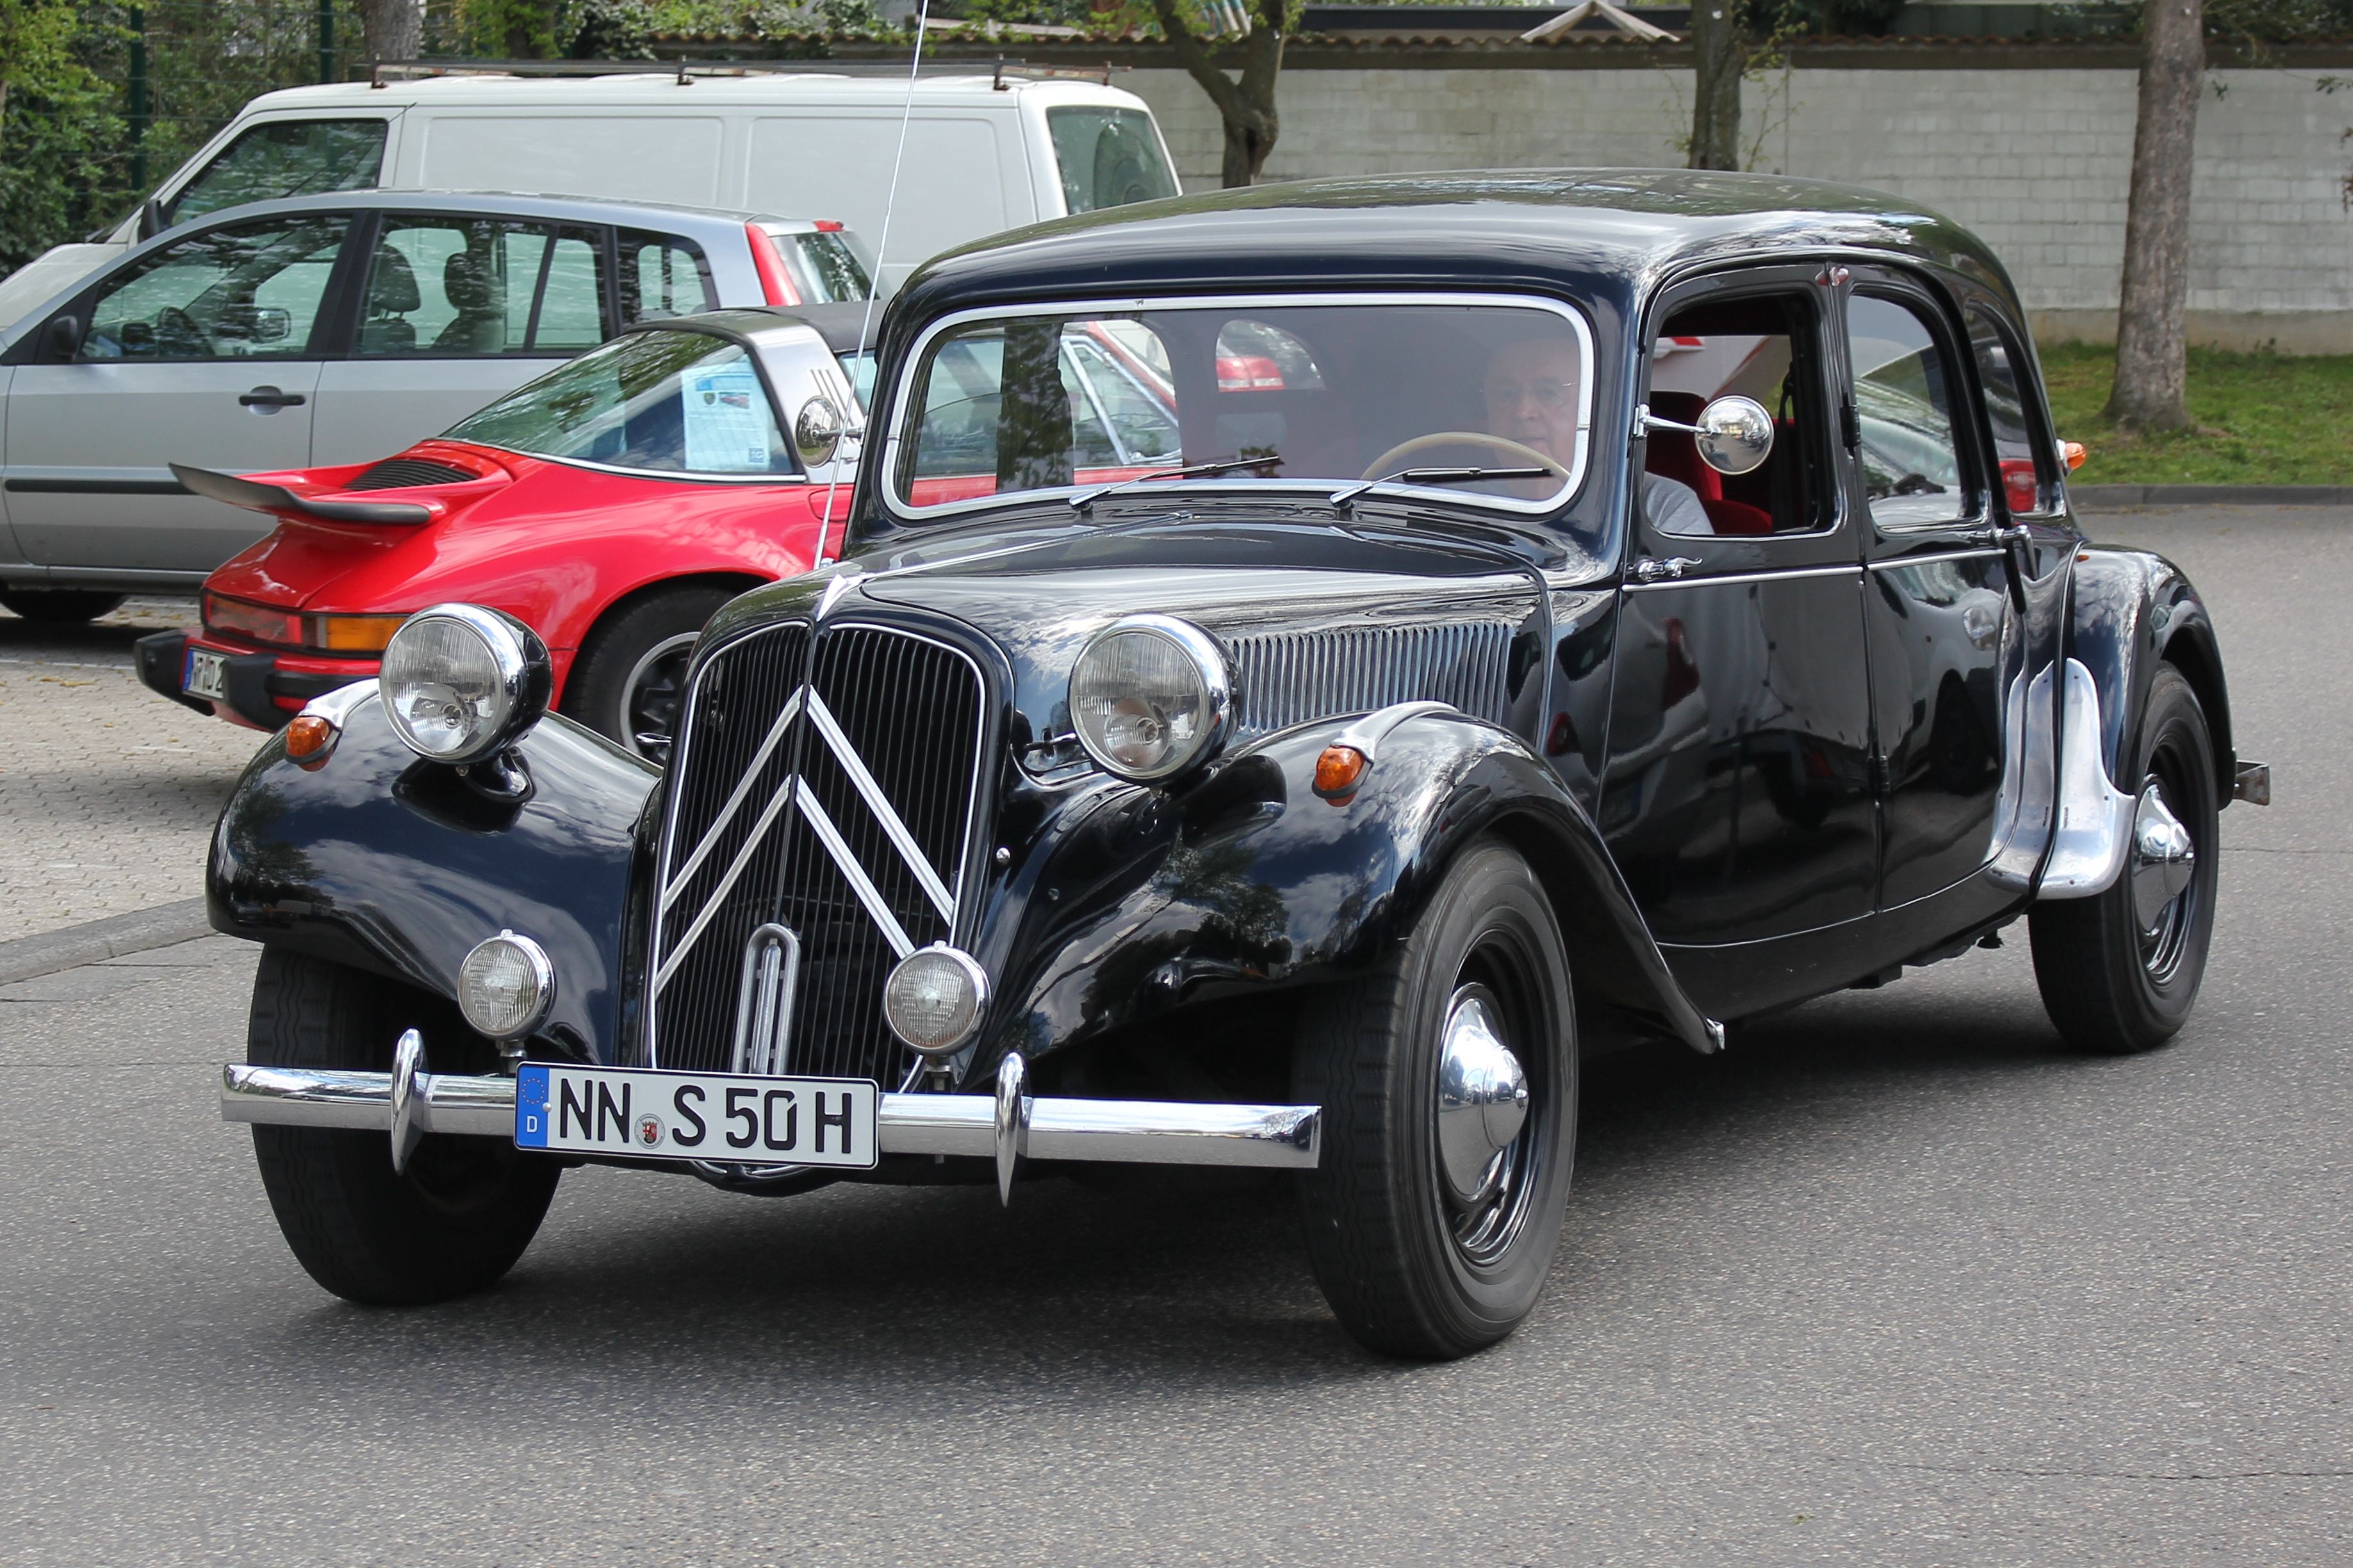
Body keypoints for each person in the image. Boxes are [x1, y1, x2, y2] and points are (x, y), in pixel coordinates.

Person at [1482, 334, 1712, 537]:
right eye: (1506, 395)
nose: (1522, 412)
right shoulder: (1458, 501)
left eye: (1547, 393)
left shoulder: (1658, 507)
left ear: (1595, 409)